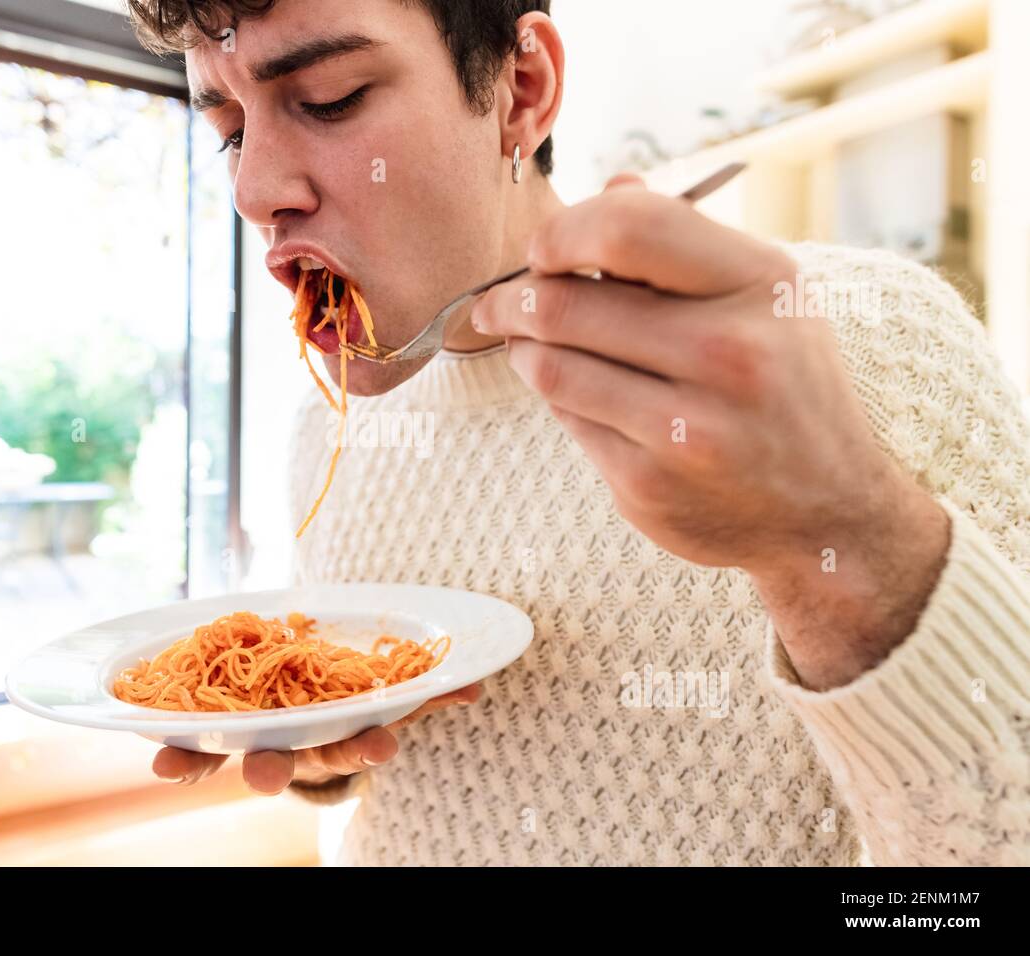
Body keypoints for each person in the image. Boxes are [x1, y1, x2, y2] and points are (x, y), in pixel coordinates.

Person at [129, 0, 1030, 865]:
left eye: (331, 99)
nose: (253, 193)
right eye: (232, 132)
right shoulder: (325, 430)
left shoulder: (866, 334)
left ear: (522, 88)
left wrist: (841, 540)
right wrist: (321, 746)